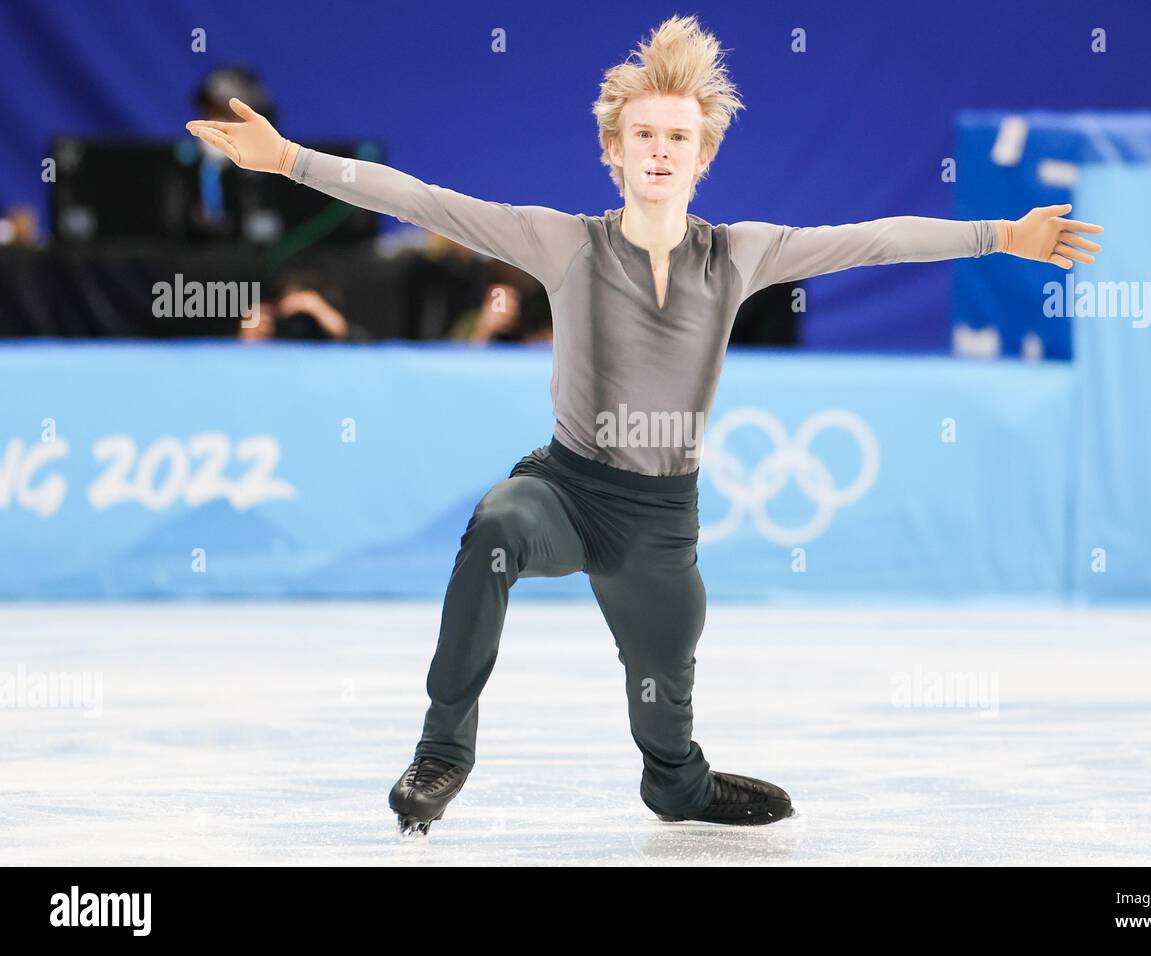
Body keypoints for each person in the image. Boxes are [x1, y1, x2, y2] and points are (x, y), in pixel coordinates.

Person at [185, 14, 1103, 832]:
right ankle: (443, 753)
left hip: (662, 523)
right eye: (642, 136)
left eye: (677, 137)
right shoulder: (563, 242)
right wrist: (291, 161)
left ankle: (678, 785)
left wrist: (999, 235)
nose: (659, 151)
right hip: (568, 489)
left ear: (704, 157)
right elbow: (421, 199)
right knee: (498, 527)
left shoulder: (743, 254)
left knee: (665, 699)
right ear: (612, 153)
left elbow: (876, 238)